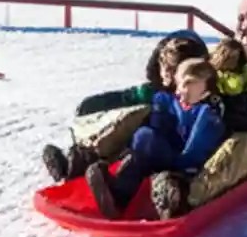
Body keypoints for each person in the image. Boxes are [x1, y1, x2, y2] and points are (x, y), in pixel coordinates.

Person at [150, 0, 247, 218]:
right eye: (241, 18)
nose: (244, 25)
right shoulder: (226, 55)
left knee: (239, 146)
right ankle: (123, 169)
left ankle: (184, 197)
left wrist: (220, 100)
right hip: (215, 128)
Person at [41, 30, 208, 183]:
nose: (166, 74)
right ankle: (74, 163)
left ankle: (97, 170)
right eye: (163, 66)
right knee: (121, 125)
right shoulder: (153, 91)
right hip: (135, 145)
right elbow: (127, 97)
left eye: (172, 70)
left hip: (161, 152)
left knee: (135, 129)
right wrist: (93, 104)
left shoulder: (199, 98)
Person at [85, 58, 226, 219]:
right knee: (136, 157)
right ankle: (116, 197)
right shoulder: (168, 101)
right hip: (161, 155)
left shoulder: (208, 114)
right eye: (179, 83)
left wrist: (178, 167)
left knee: (156, 158)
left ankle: (172, 200)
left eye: (188, 83)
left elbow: (195, 151)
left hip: (185, 168)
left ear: (206, 90)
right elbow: (150, 117)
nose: (180, 89)